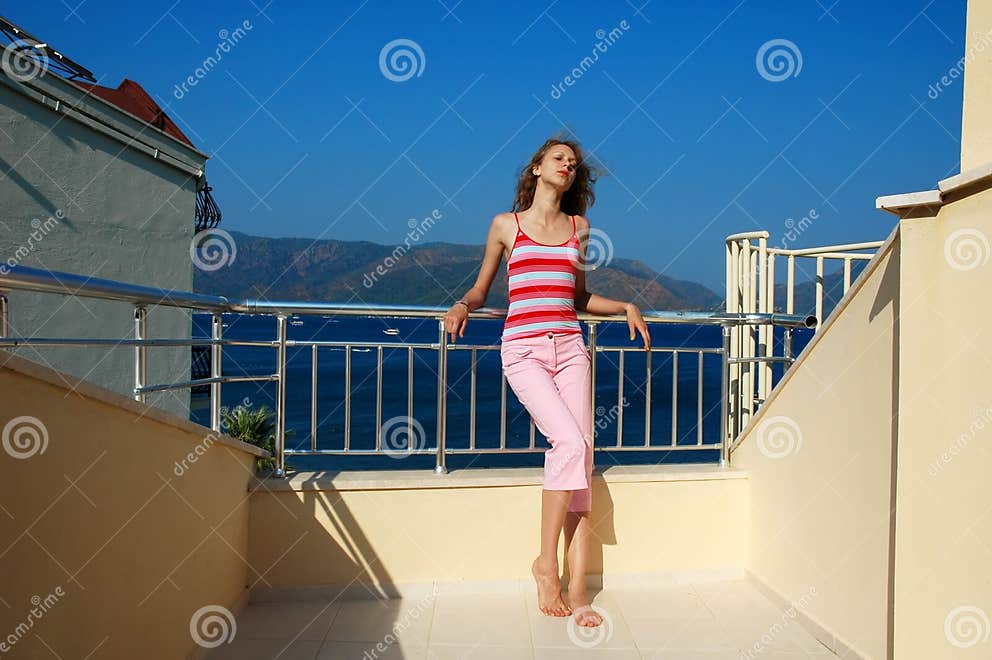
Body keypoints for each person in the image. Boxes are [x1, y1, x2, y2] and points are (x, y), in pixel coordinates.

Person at [442, 136, 651, 628]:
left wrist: (625, 306)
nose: (568, 166)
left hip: (572, 350)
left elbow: (578, 298)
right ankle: (544, 565)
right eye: (559, 159)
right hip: (523, 350)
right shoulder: (506, 225)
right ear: (537, 168)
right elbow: (482, 288)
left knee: (582, 456)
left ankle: (577, 590)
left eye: (573, 163)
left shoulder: (580, 228)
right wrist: (462, 304)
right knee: (568, 443)